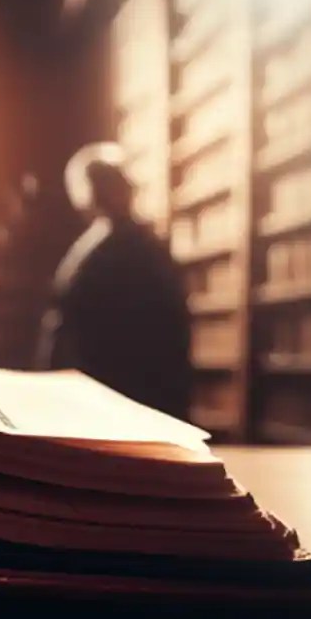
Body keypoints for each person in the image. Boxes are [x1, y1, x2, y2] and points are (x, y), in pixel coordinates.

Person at [36, 142, 191, 419]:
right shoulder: (151, 247)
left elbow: (63, 327)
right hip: (146, 396)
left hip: (108, 396)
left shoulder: (95, 254)